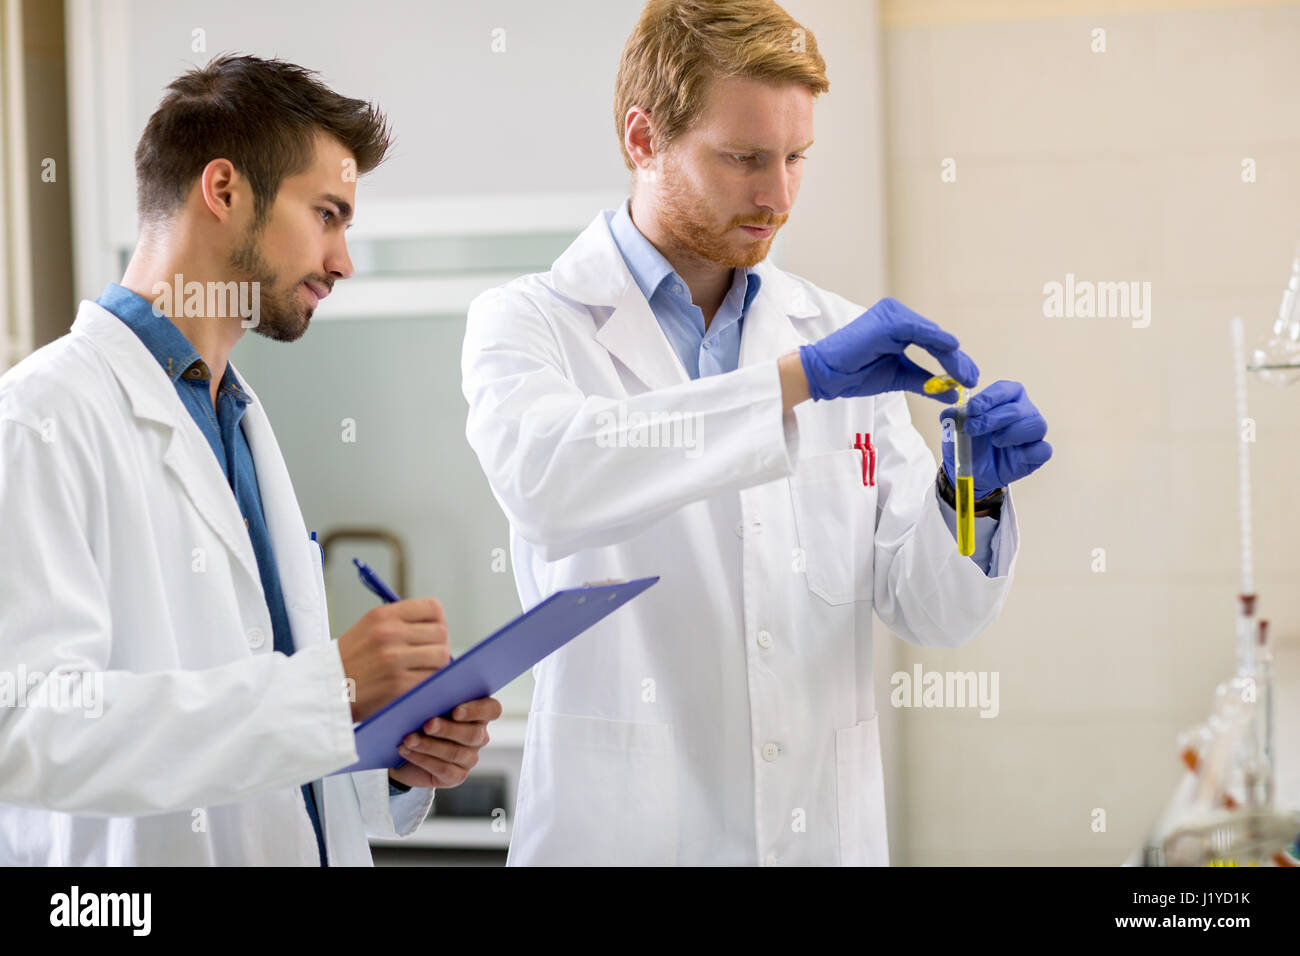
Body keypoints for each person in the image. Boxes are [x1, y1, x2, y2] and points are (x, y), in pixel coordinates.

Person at [460, 0, 1051, 865]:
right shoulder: (531, 322)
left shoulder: (833, 331)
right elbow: (548, 480)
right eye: (743, 159)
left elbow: (930, 608)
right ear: (641, 138)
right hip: (617, 836)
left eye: (795, 158)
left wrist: (970, 494)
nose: (777, 195)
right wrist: (797, 382)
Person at [0, 54, 501, 866]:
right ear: (224, 190)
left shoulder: (234, 419)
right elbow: (28, 728)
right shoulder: (39, 419)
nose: (342, 261)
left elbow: (264, 725)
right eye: (328, 215)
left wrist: (388, 753)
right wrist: (328, 690)